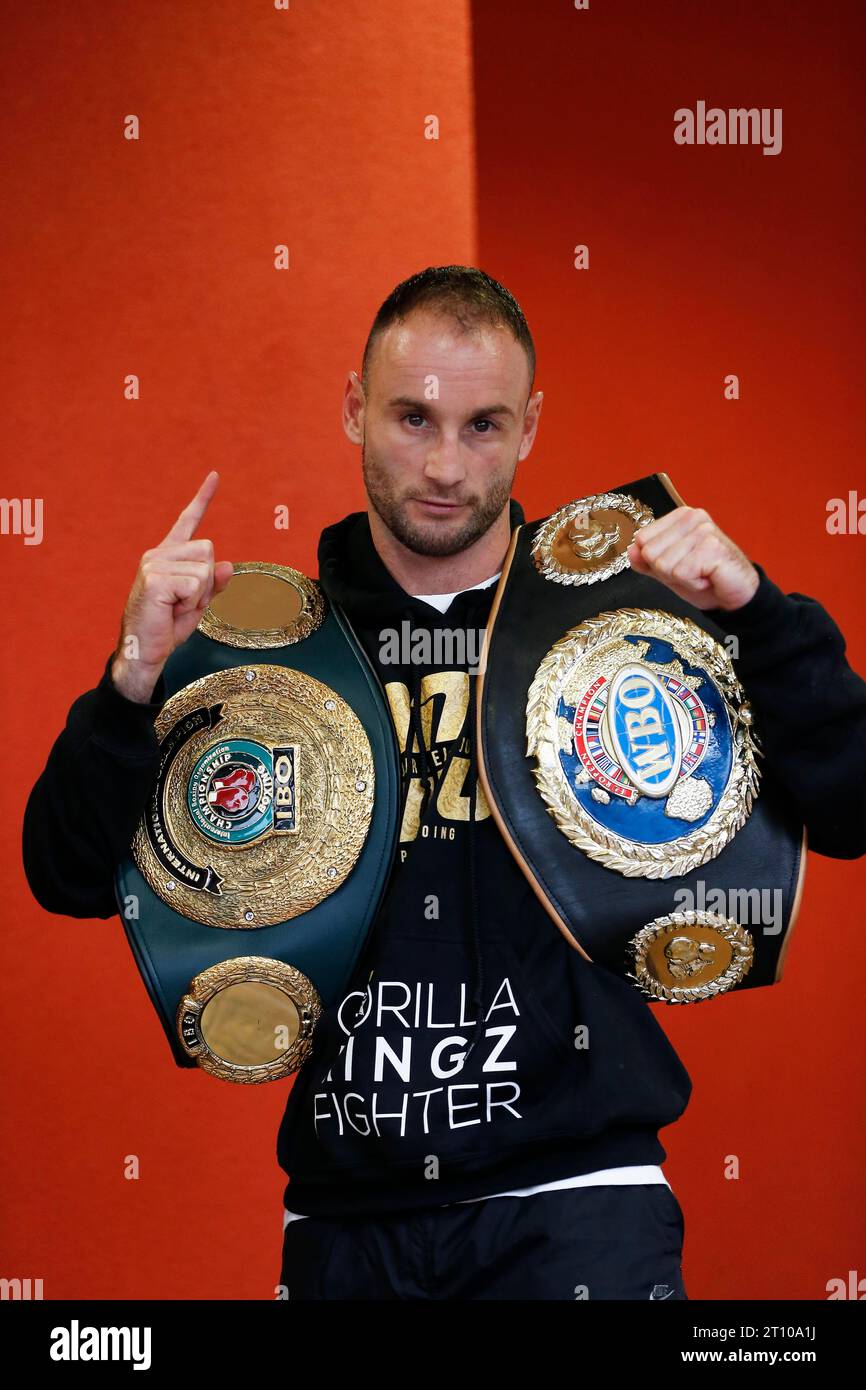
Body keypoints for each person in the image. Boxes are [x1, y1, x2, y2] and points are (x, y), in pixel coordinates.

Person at [22, 266, 866, 1301]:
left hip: (577, 1204)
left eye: (481, 425)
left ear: (529, 427)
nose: (443, 465)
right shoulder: (269, 661)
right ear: (351, 408)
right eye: (411, 417)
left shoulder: (619, 625)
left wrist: (758, 615)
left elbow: (850, 802)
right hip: (349, 1217)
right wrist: (131, 680)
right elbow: (61, 874)